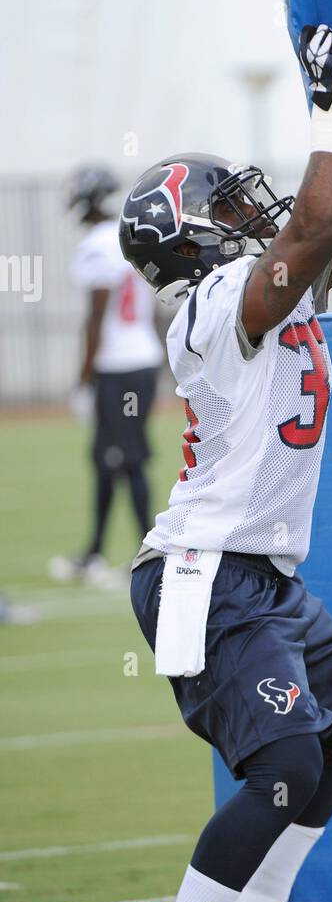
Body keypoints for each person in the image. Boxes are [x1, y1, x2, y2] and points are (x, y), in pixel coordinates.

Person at [117, 27, 332, 902]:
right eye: (224, 207)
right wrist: (320, 102)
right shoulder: (218, 301)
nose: (248, 215)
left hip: (258, 569)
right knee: (285, 769)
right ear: (188, 236)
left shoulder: (256, 292)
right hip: (208, 571)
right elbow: (315, 228)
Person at [50, 165, 162, 586]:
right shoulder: (125, 236)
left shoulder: (96, 246)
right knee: (104, 460)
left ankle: (147, 556)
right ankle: (95, 551)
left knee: (128, 459)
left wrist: (83, 378)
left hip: (121, 368)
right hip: (138, 360)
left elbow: (96, 317)